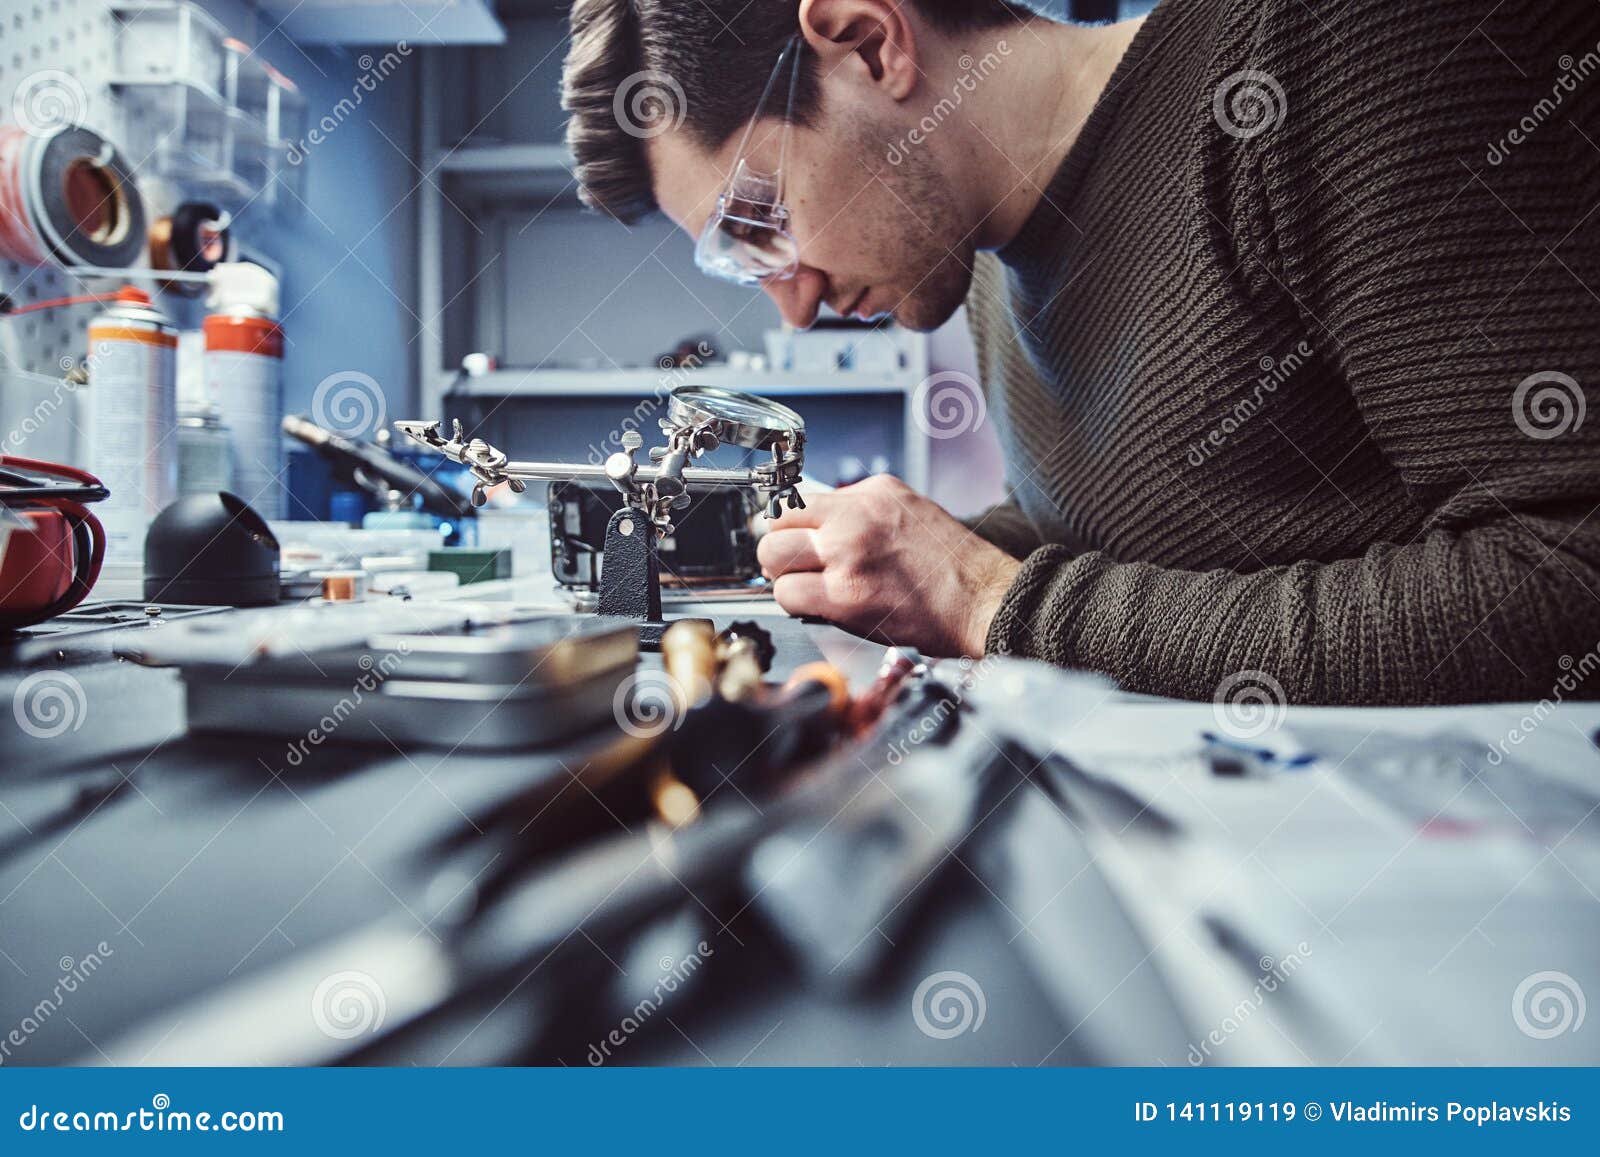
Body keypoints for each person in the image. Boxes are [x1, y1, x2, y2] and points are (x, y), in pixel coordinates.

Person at [561, 0, 1600, 704]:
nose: (791, 309)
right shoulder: (984, 274)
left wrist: (985, 598)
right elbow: (1125, 536)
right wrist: (907, 564)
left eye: (760, 224)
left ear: (869, 40)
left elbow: (1566, 574)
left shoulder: (1334, 52)